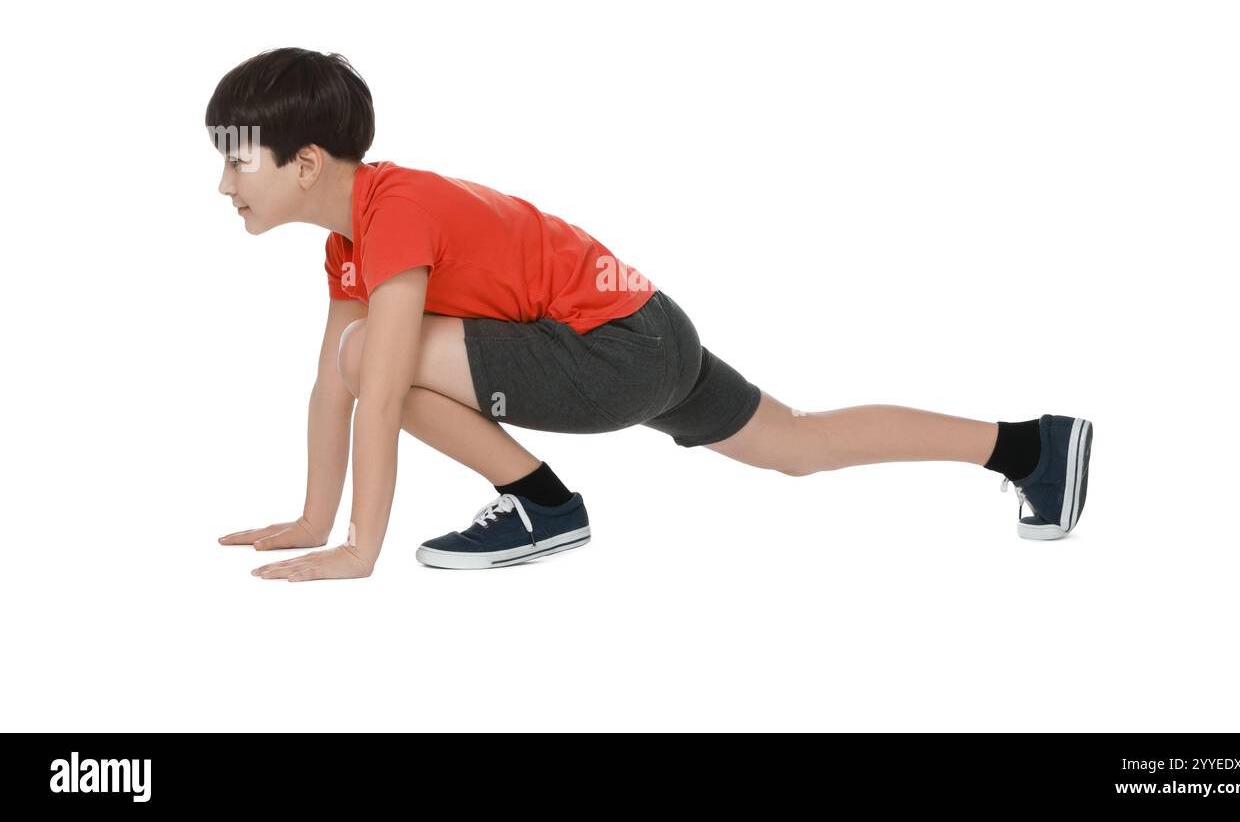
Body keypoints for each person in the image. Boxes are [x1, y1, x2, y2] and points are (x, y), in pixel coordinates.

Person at [211, 47, 1094, 582]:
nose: (223, 185)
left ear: (307, 162)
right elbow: (334, 388)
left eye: (238, 163)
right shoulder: (352, 242)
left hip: (614, 351)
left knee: (376, 355)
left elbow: (377, 374)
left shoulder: (395, 210)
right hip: (647, 330)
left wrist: (362, 548)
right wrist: (313, 519)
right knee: (796, 444)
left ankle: (540, 505)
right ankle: (1028, 447)